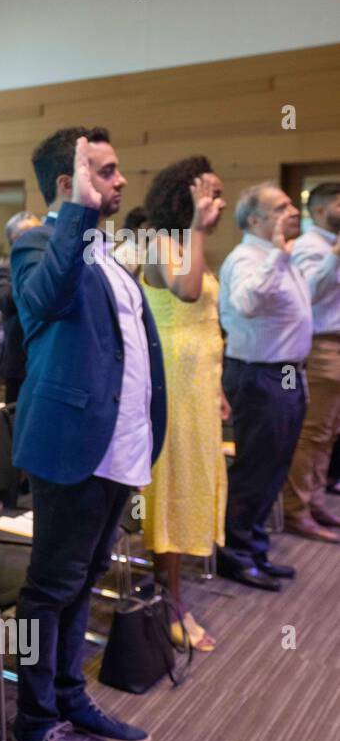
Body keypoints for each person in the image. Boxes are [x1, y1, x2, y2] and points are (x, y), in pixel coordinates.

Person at [11, 128, 165, 741]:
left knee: (84, 583)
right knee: (50, 591)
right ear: (67, 184)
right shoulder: (38, 243)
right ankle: (34, 718)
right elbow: (47, 300)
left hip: (119, 447)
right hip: (72, 448)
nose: (121, 181)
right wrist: (77, 207)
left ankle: (71, 696)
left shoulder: (108, 253)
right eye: (104, 171)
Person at [137, 156, 230, 651]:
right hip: (171, 381)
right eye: (210, 193)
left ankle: (173, 591)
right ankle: (169, 599)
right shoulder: (161, 241)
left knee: (193, 480)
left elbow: (207, 325)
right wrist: (197, 226)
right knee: (174, 485)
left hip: (198, 382)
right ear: (184, 198)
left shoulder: (189, 244)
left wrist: (217, 388)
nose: (220, 202)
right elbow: (188, 294)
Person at [216, 182, 311, 589]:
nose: (292, 210)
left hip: (287, 372)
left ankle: (254, 546)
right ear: (255, 220)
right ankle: (235, 554)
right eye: (281, 207)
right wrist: (276, 254)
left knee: (275, 466)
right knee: (256, 469)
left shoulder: (281, 256)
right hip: (260, 375)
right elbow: (246, 304)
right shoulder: (246, 258)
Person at [282, 182, 340, 540]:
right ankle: (295, 508)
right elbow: (308, 294)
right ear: (320, 210)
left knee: (329, 432)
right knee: (312, 432)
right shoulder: (309, 247)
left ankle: (315, 500)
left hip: (335, 344)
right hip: (320, 345)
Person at [0, 211, 41, 404]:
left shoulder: (45, 266)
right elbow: (4, 302)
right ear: (15, 238)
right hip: (18, 361)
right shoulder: (6, 269)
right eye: (32, 232)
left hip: (42, 359)